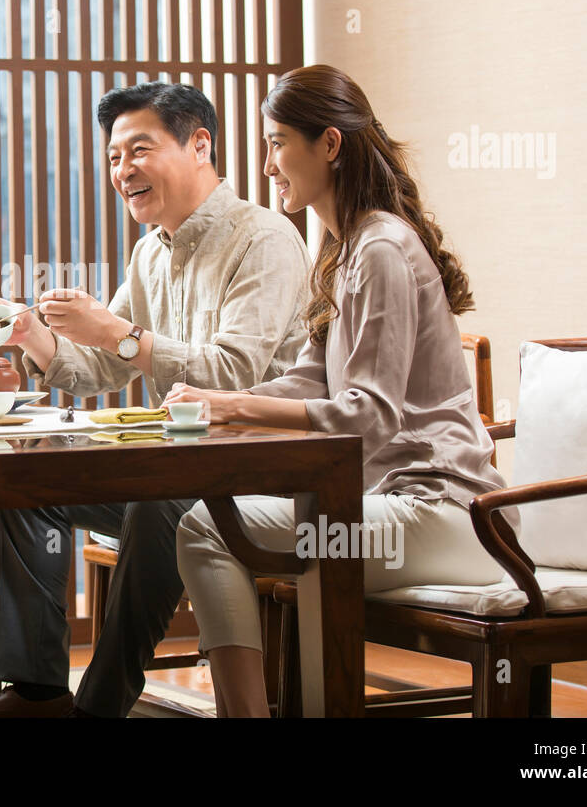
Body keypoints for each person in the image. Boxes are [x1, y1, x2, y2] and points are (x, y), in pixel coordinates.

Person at [165, 64, 509, 717]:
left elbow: (368, 415)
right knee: (218, 524)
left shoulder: (381, 249)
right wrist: (212, 412)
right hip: (387, 505)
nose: (268, 165)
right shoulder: (342, 248)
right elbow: (311, 378)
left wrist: (232, 406)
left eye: (277, 143)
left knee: (209, 530)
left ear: (329, 144)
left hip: (447, 516)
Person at [0, 81, 312, 717]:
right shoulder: (150, 253)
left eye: (139, 150)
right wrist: (30, 333)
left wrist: (116, 334)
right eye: (114, 157)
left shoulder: (265, 239)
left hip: (263, 474)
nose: (123, 170)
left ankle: (98, 707)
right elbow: (101, 366)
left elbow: (232, 373)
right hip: (179, 468)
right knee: (22, 482)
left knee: (161, 504)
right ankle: (38, 690)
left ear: (199, 145)